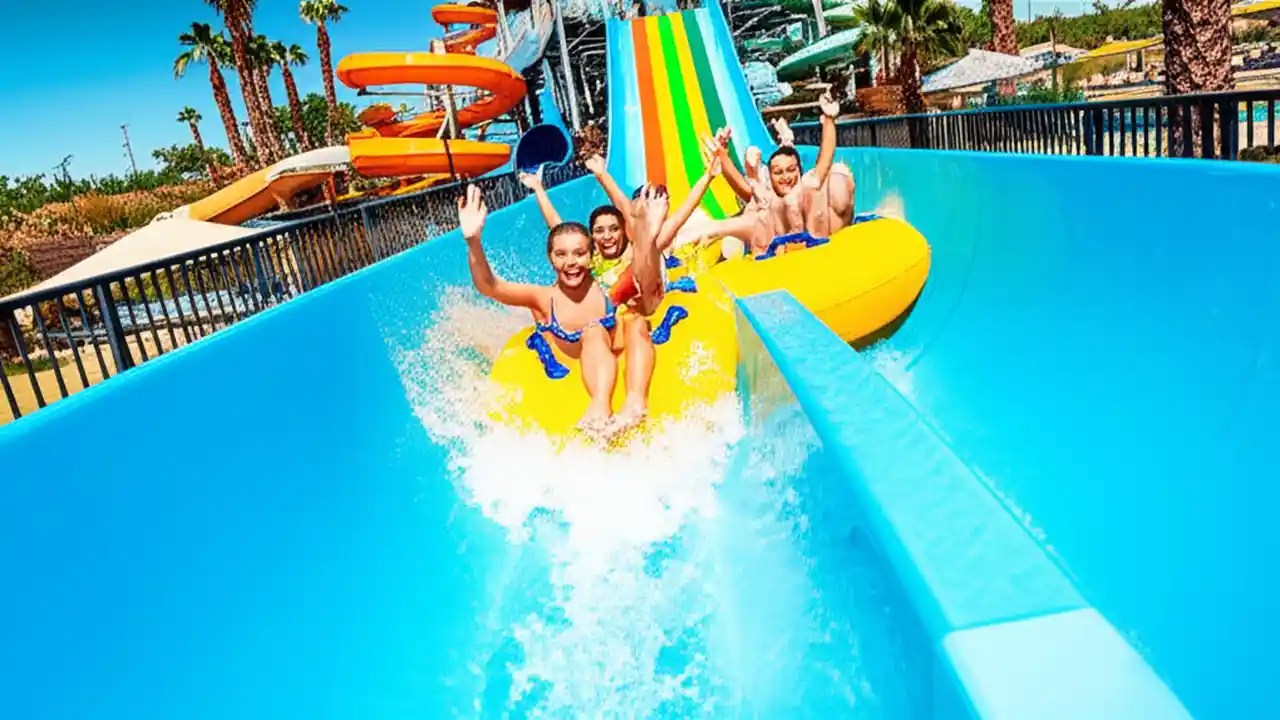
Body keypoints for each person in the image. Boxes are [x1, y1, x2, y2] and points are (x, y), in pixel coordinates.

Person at [458, 184, 666, 438]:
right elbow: (490, 286)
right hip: (573, 353)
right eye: (561, 255)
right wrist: (473, 243)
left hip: (611, 343)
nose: (571, 263)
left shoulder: (603, 287)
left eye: (579, 254)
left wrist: (649, 234)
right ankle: (599, 407)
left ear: (591, 257)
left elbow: (646, 281)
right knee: (593, 332)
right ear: (551, 259)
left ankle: (635, 402)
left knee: (635, 321)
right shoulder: (544, 298)